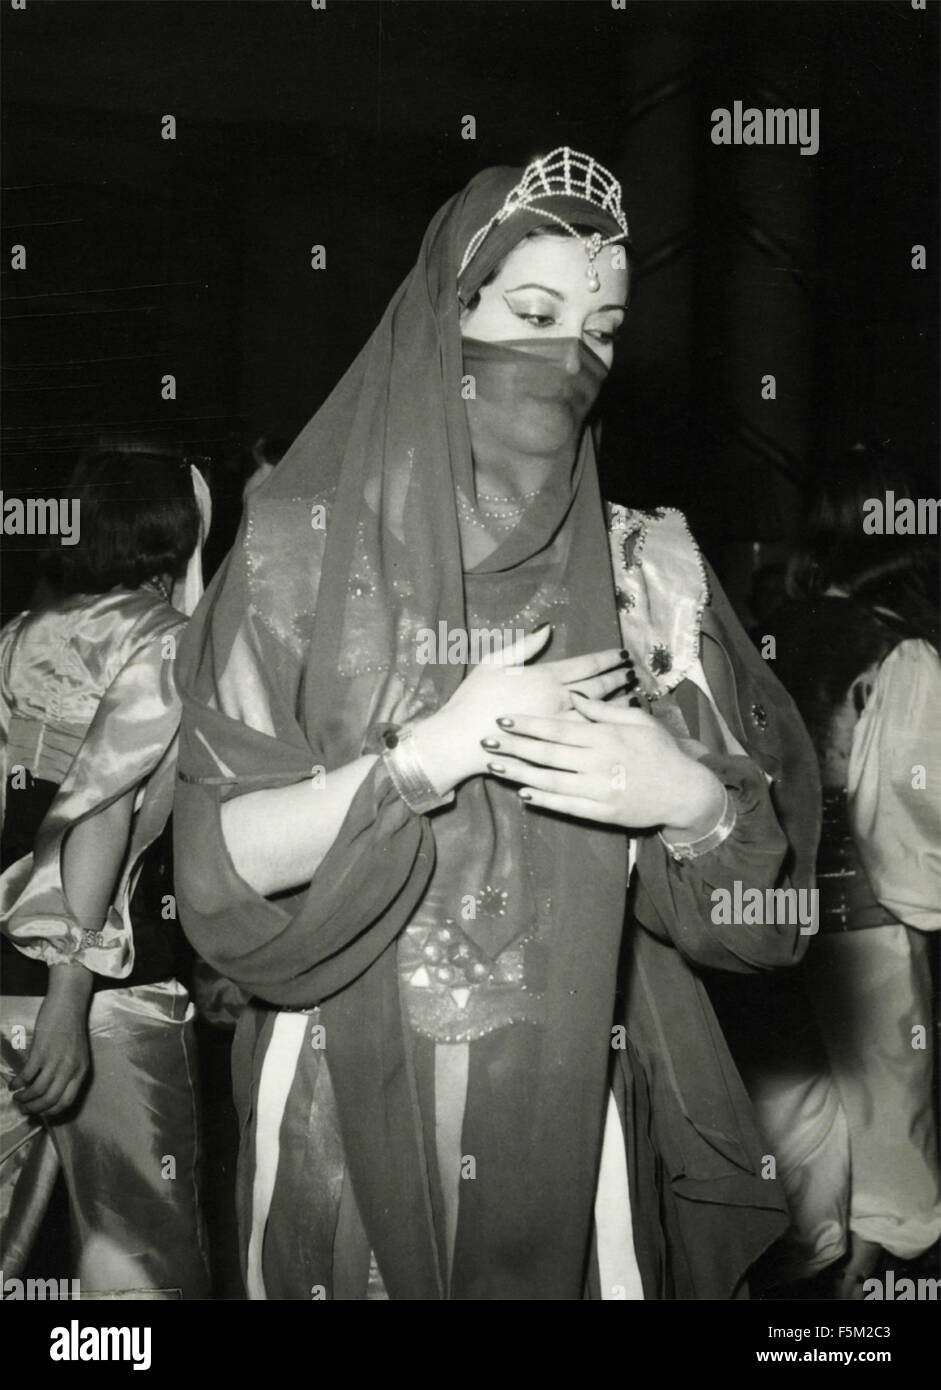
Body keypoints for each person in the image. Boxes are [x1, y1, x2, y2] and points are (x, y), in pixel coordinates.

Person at [173, 148, 821, 1300]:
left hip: (574, 1112)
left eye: (602, 328)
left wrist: (687, 799)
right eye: (531, 313)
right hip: (333, 1102)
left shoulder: (642, 573)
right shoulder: (298, 556)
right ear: (447, 317)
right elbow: (216, 874)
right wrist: (422, 757)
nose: (569, 357)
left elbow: (759, 926)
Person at [0, 444, 212, 1299]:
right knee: (139, 1255)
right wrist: (69, 992)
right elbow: (102, 805)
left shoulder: (17, 635)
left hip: (3, 981)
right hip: (103, 994)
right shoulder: (167, 643)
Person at [771, 444, 941, 1297]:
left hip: (761, 931)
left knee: (806, 1160)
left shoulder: (751, 626)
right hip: (867, 941)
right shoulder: (897, 655)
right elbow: (910, 825)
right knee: (883, 1174)